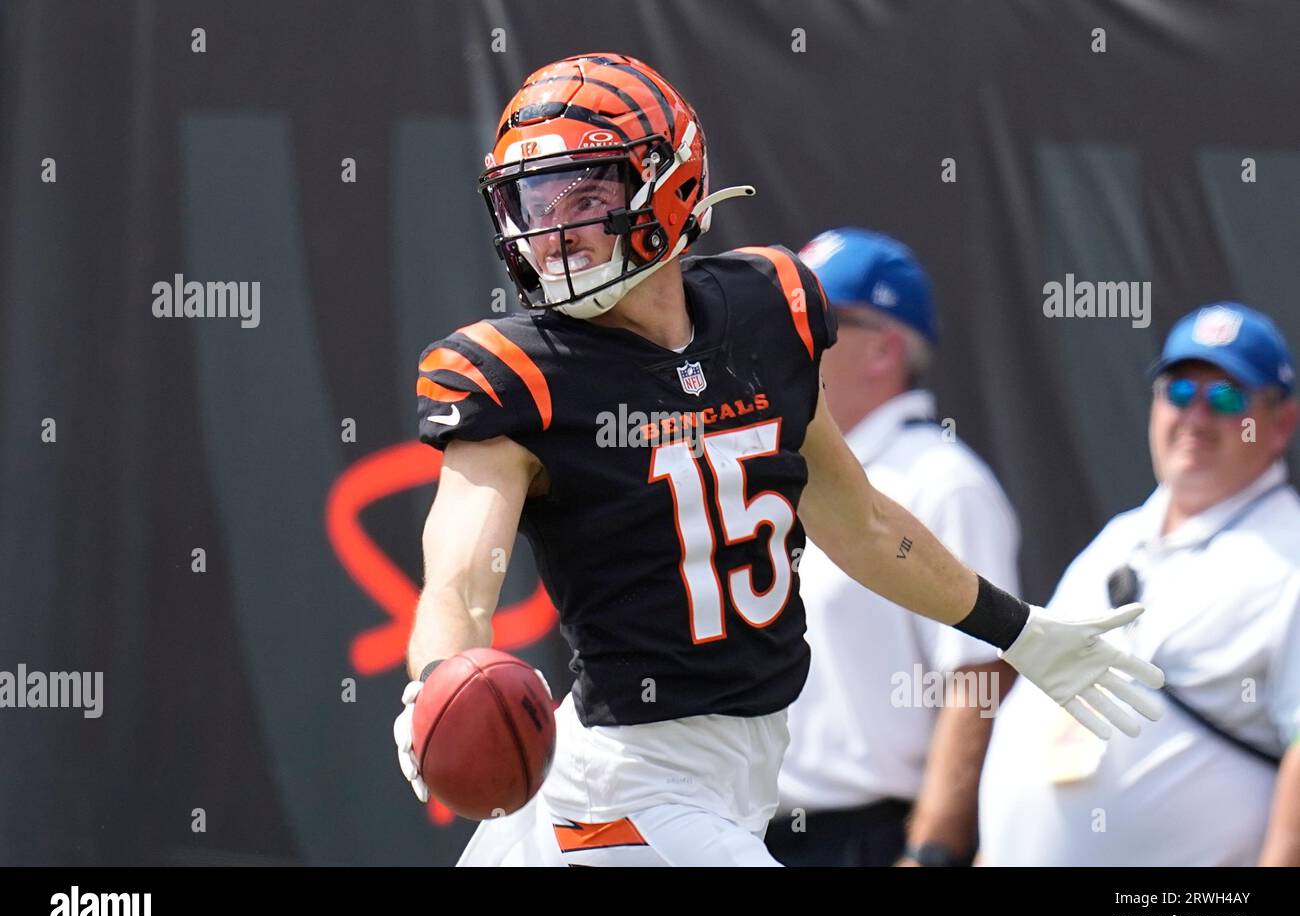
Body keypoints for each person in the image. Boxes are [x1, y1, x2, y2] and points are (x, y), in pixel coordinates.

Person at [390, 52, 1164, 867]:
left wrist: (1017, 629)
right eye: (534, 201)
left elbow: (856, 521)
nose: (556, 228)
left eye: (586, 195)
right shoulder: (519, 376)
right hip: (621, 789)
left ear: (670, 181)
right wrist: (438, 680)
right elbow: (459, 580)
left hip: (719, 783)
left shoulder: (765, 310)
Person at [979, 303, 1300, 866]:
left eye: (1226, 398)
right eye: (1179, 393)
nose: (1196, 417)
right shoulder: (1119, 536)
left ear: (1281, 425)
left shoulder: (1289, 554)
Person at [767, 229, 1019, 867]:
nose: (785, 339)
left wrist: (931, 851)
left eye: (813, 320)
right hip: (755, 834)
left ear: (883, 349)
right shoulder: (784, 472)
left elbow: (980, 682)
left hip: (870, 842)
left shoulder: (943, 482)